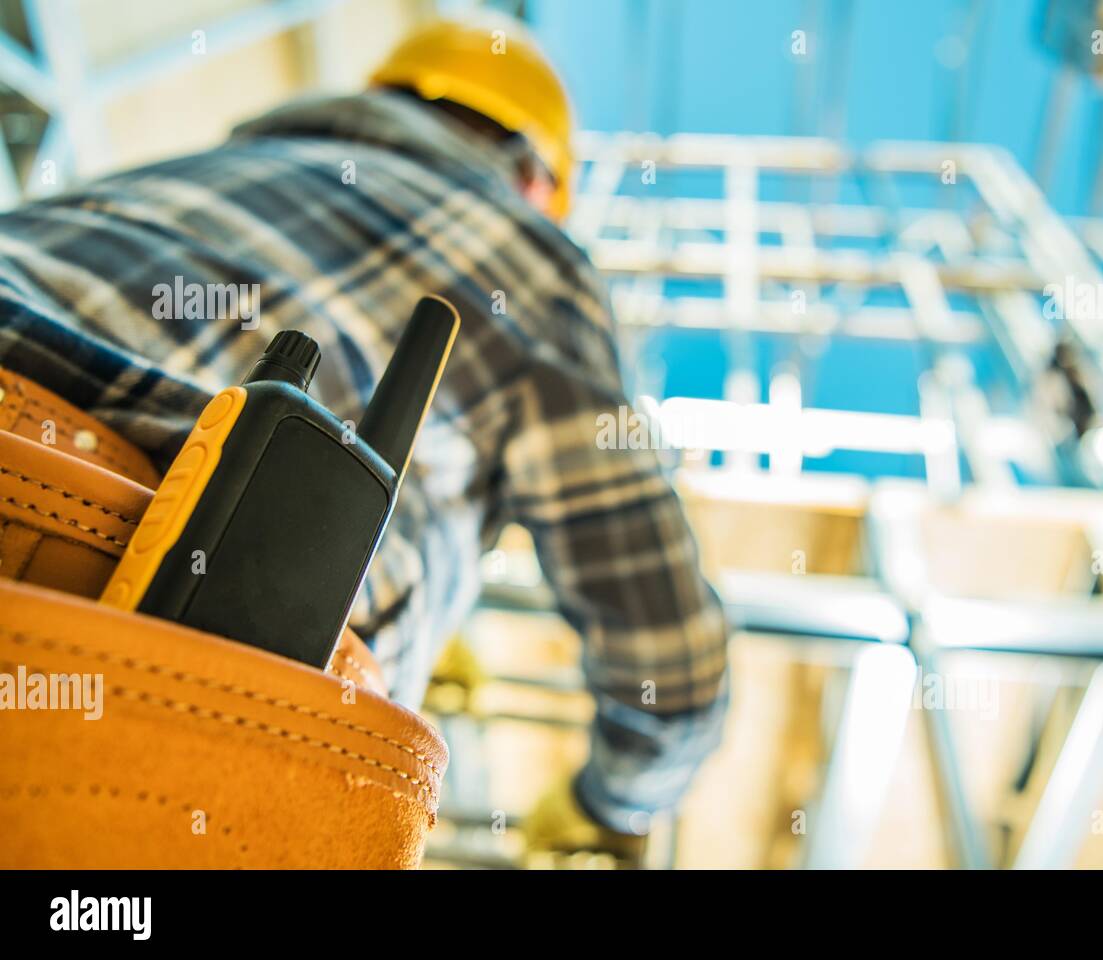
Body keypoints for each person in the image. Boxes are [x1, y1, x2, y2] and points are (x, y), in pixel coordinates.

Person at [0, 11, 727, 854]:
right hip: (157, 649)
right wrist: (608, 805)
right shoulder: (537, 261)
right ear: (534, 179)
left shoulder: (209, 162)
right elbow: (672, 669)